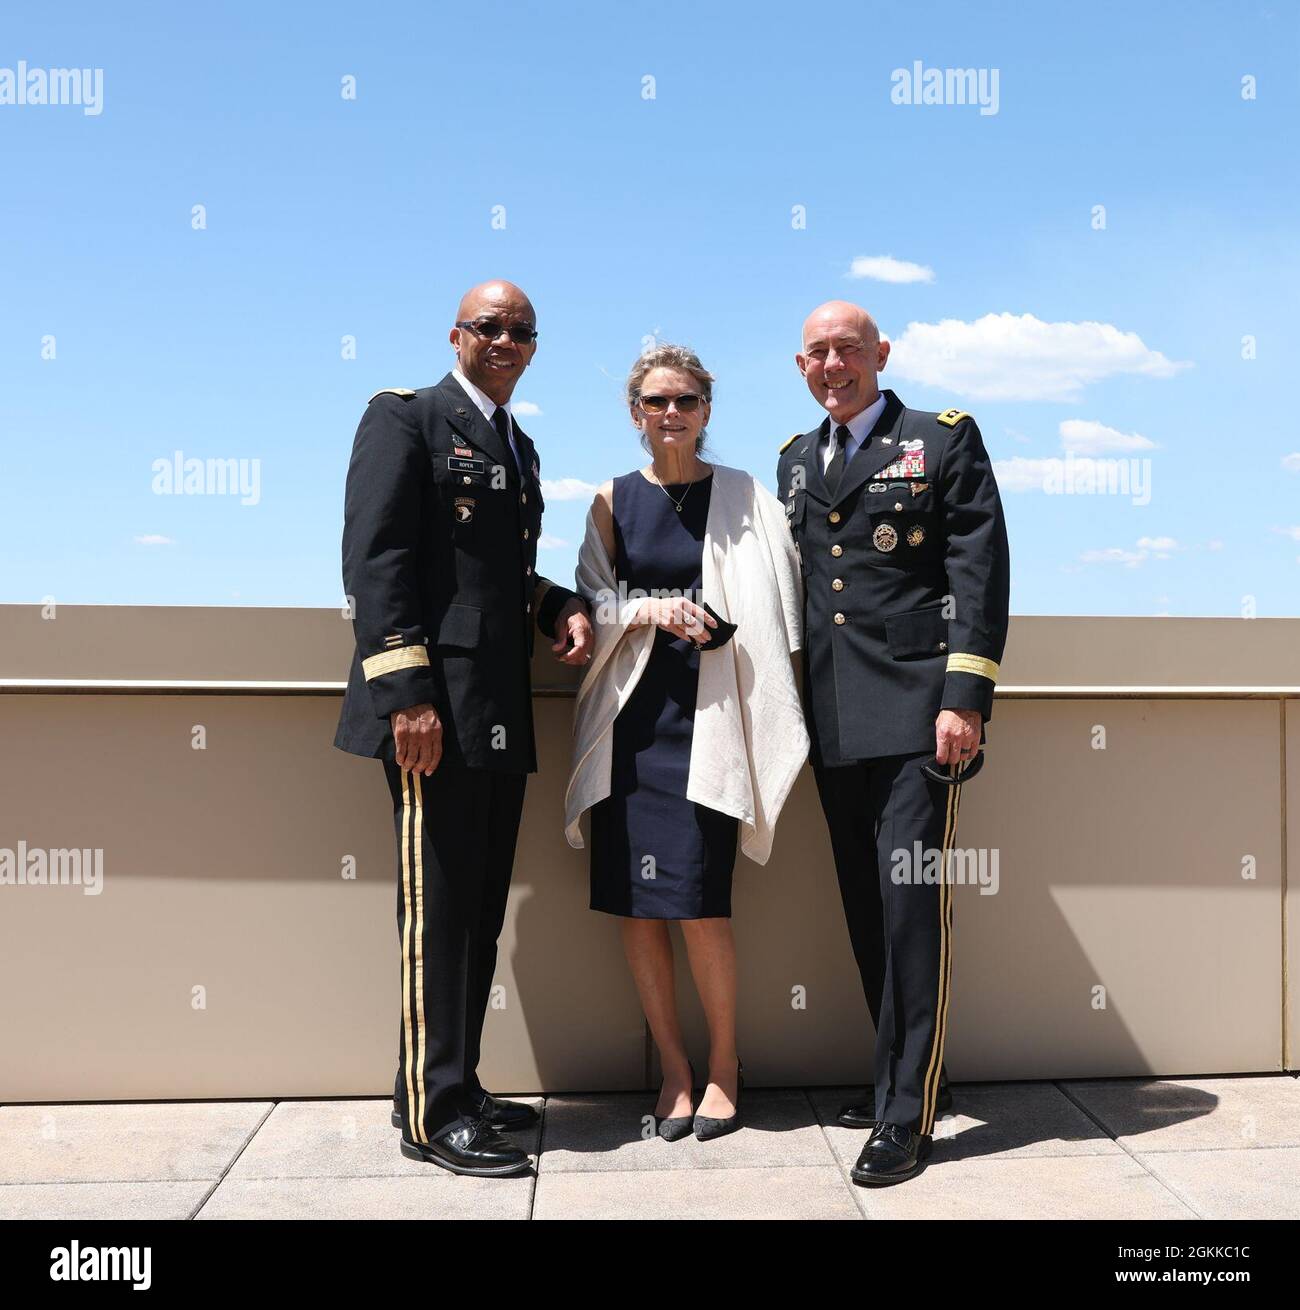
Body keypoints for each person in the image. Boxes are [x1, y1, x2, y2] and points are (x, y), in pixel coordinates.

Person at [335, 279, 593, 1177]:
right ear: (456, 335)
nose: (507, 341)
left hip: (497, 714)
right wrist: (405, 692)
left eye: (522, 330)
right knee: (438, 914)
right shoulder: (404, 418)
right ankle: (428, 1110)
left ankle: (460, 1081)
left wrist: (556, 602)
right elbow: (377, 559)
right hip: (431, 717)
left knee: (479, 913)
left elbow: (498, 577)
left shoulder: (518, 445)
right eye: (490, 327)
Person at [777, 300, 1009, 1186]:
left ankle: (906, 1114)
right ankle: (898, 1081)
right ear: (802, 367)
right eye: (817, 354)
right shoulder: (797, 460)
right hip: (834, 719)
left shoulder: (941, 439)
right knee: (865, 908)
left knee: (913, 910)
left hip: (921, 719)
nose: (833, 365)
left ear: (880, 353)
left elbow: (978, 568)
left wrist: (965, 696)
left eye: (847, 350)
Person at [565, 344, 807, 1142]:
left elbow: (781, 597)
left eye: (688, 401)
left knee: (702, 905)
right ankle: (673, 1069)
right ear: (636, 414)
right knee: (637, 909)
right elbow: (590, 605)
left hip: (709, 724)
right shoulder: (610, 500)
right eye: (657, 401)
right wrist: (649, 611)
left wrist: (717, 624)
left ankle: (726, 1066)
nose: (673, 414)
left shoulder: (742, 496)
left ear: (708, 411)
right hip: (631, 726)